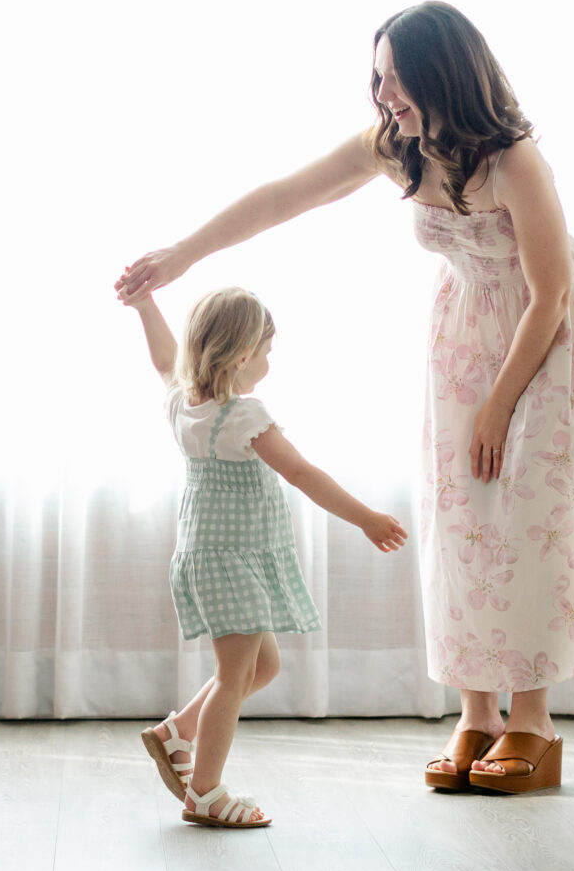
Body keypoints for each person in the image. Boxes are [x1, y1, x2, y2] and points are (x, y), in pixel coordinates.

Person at [116, 1, 574, 796]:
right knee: (461, 513)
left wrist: (501, 403)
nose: (384, 93)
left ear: (441, 75)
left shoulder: (514, 159)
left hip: (544, 336)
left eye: (396, 78)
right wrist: (182, 254)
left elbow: (552, 292)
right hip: (464, 333)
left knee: (527, 517)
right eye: (379, 78)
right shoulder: (394, 149)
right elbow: (283, 197)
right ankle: (477, 711)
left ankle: (532, 720)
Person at [124, 284, 406, 828]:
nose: (270, 363)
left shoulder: (184, 401)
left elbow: (163, 358)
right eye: (268, 352)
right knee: (234, 677)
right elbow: (301, 473)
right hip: (234, 559)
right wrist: (366, 518)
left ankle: (178, 731)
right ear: (241, 353)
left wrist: (144, 307)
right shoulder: (245, 415)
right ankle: (204, 792)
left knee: (264, 665)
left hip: (216, 555)